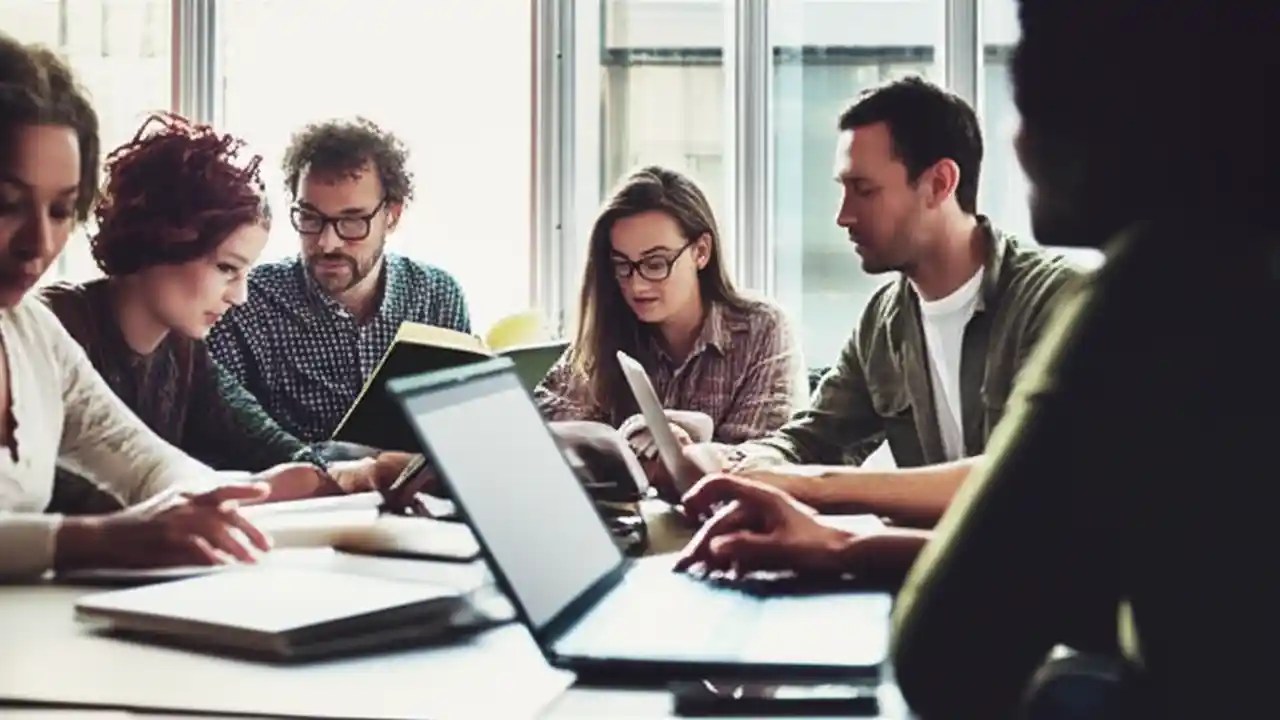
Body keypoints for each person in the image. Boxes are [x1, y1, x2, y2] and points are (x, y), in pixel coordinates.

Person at [679, 0, 1274, 716]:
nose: (1019, 145)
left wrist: (824, 498)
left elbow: (948, 650)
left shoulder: (1140, 296)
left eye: (1034, 105)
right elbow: (1078, 573)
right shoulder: (1235, 280)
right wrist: (806, 515)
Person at [696, 77, 1081, 526]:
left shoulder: (1056, 301)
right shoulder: (884, 321)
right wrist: (742, 463)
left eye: (864, 190)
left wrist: (814, 486)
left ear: (939, 183)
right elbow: (813, 437)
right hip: (934, 575)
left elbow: (1023, 480)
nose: (843, 216)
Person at [0, 33, 276, 577]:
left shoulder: (30, 333)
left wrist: (203, 501)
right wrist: (98, 541)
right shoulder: (65, 318)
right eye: (6, 205)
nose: (39, 244)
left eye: (60, 210)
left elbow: (139, 457)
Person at [38, 113, 401, 515]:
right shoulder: (52, 329)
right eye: (226, 268)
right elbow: (60, 498)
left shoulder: (183, 352)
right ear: (163, 239)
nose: (241, 297)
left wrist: (356, 474)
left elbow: (271, 447)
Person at [534, 166, 806, 497]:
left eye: (655, 263)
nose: (636, 284)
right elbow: (545, 440)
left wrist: (686, 454)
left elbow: (754, 471)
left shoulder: (763, 330)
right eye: (622, 265)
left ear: (701, 252)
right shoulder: (607, 329)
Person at [208, 117, 470, 442]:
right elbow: (222, 446)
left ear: (392, 216)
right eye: (310, 217)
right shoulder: (246, 306)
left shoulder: (437, 296)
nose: (327, 243)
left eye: (352, 221)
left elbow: (459, 425)